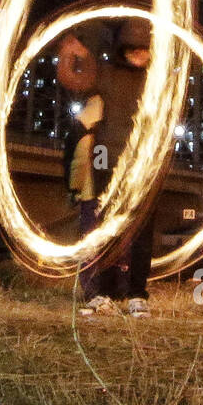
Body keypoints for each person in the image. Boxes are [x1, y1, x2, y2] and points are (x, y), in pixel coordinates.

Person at [58, 17, 157, 317]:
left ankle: (136, 294)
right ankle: (98, 293)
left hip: (143, 165)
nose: (141, 55)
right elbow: (76, 81)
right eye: (134, 48)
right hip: (105, 162)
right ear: (124, 48)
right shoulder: (107, 75)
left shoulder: (159, 82)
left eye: (146, 49)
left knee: (140, 232)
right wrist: (71, 53)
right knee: (100, 231)